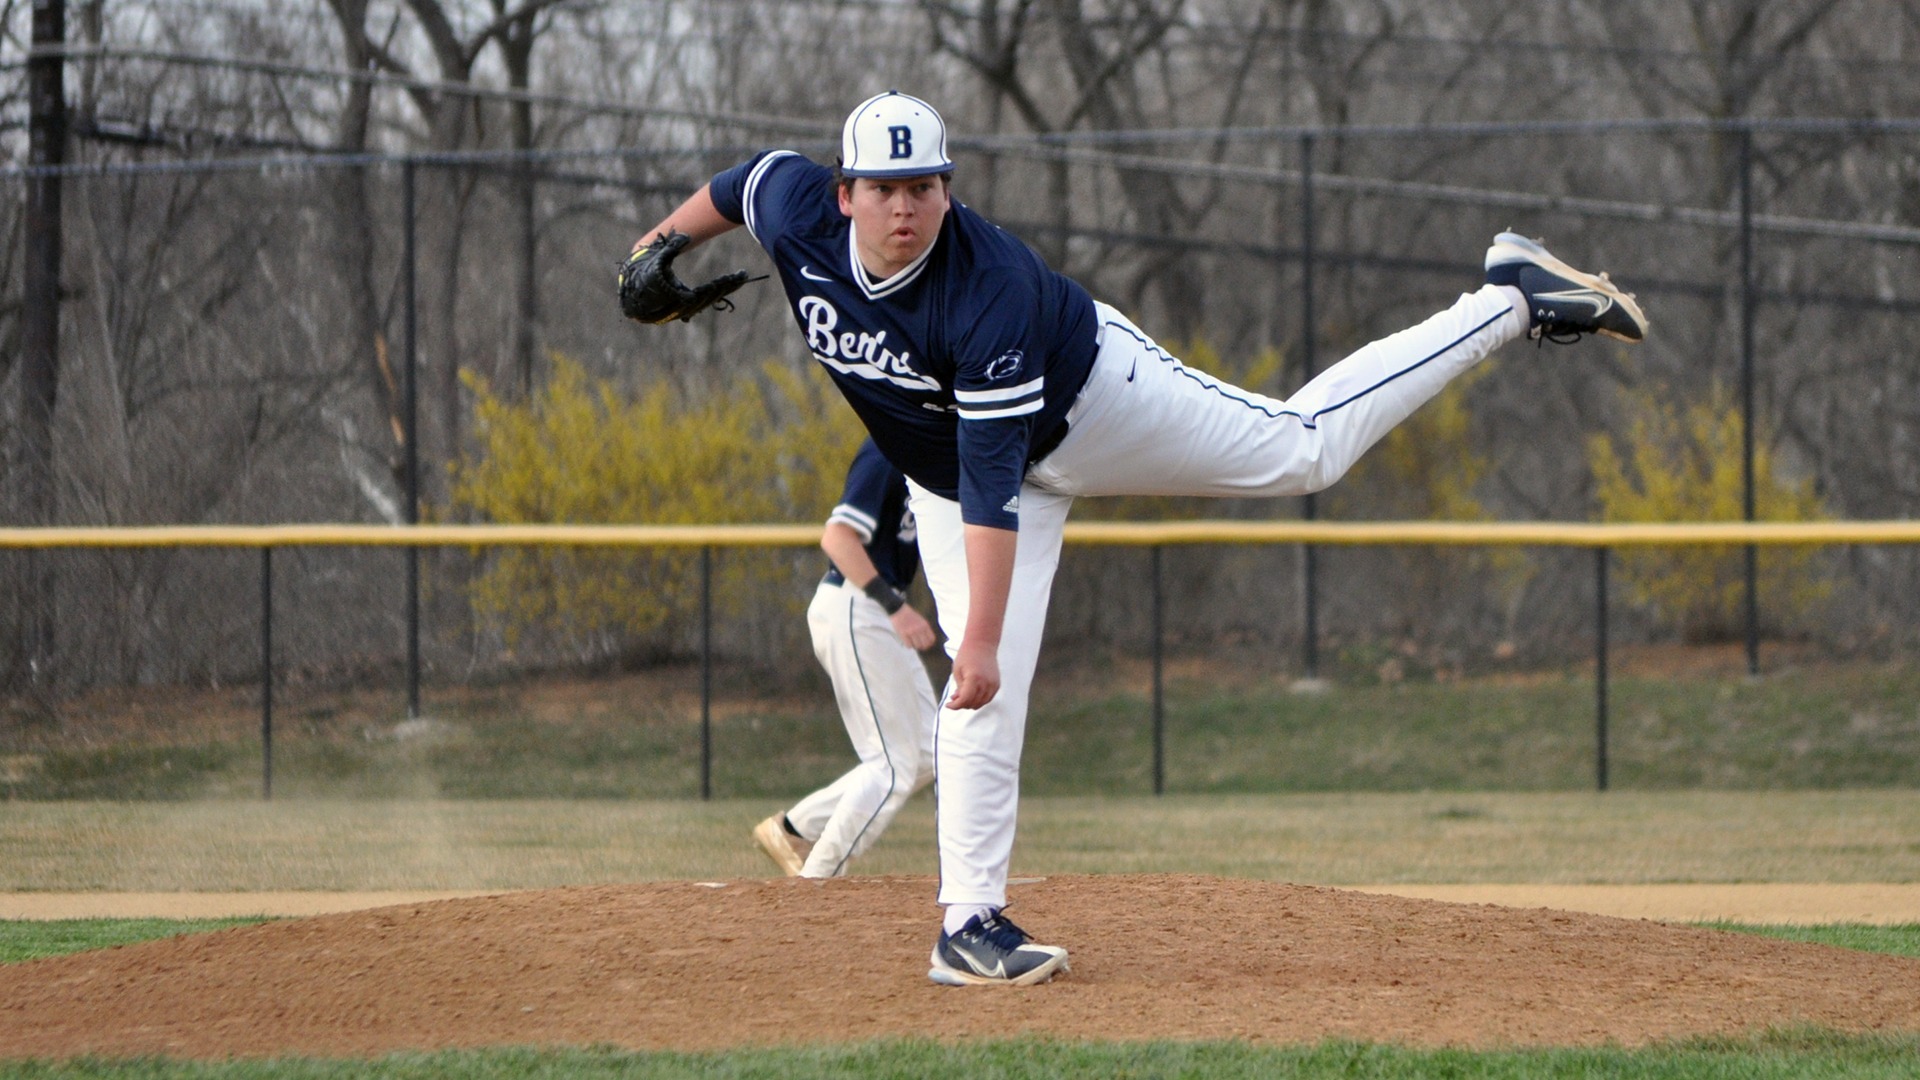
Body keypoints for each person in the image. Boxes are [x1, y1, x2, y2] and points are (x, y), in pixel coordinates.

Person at [622, 90, 1647, 987]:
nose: (904, 207)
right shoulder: (795, 209)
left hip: (1091, 408)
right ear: (842, 194)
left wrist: (972, 637)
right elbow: (744, 178)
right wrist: (657, 248)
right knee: (988, 698)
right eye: (883, 188)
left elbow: (997, 483)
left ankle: (1510, 297)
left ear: (947, 189)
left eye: (924, 186)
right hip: (947, 472)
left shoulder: (985, 292)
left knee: (1302, 453)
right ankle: (968, 928)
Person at [752, 438, 940, 880]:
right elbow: (836, 538)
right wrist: (896, 608)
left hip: (875, 611)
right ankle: (819, 877)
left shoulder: (928, 452)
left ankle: (795, 829)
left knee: (930, 751)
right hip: (859, 605)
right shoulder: (886, 447)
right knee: (891, 766)